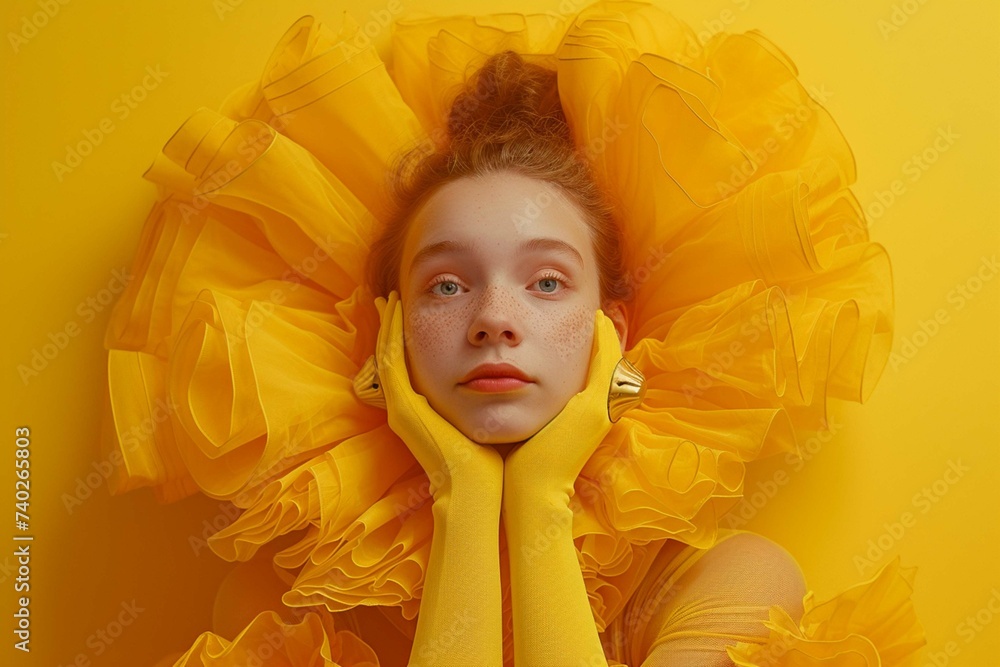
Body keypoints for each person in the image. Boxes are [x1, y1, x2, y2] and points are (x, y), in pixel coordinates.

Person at [104, 3, 926, 666]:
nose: (495, 318)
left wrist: (538, 500)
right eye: (448, 284)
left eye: (545, 282)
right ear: (387, 332)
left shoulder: (728, 583)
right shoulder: (277, 613)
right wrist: (464, 494)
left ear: (613, 331)